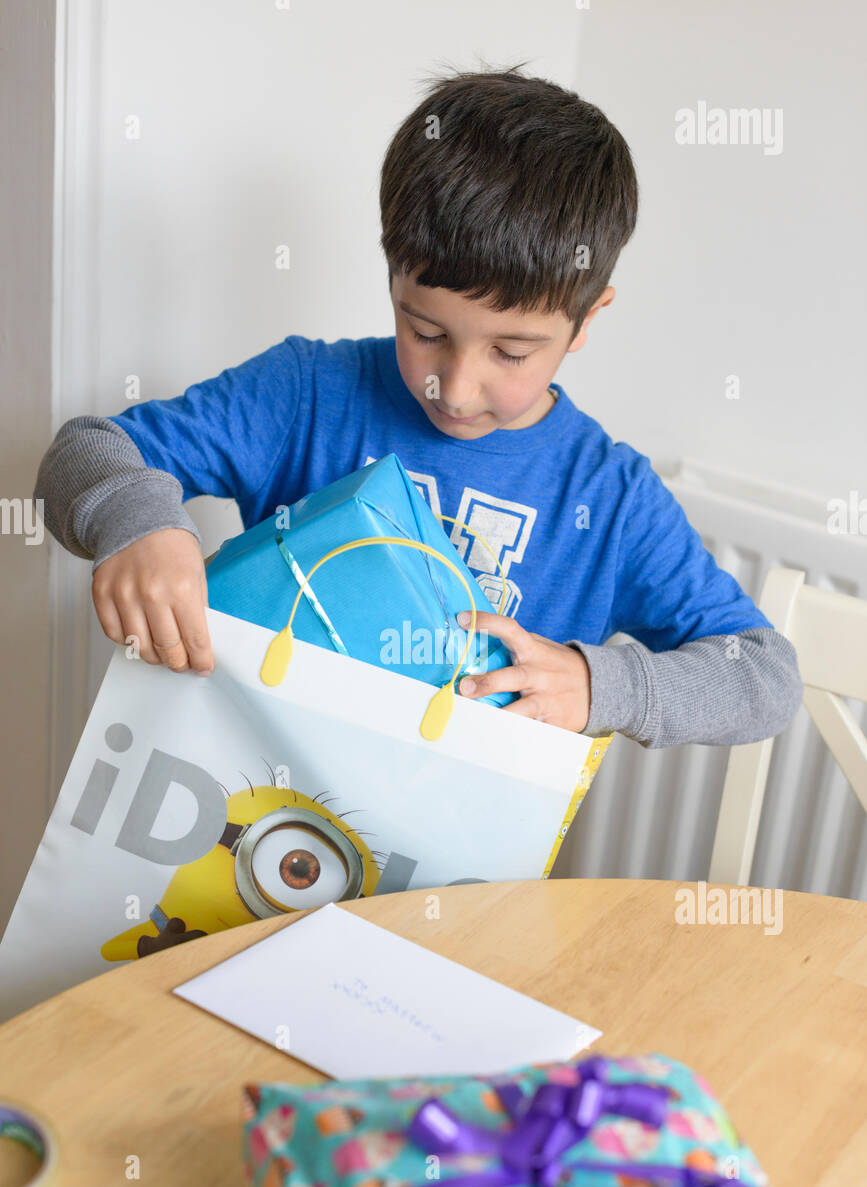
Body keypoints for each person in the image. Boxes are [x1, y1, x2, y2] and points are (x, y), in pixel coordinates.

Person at [35, 65, 801, 747]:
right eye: (425, 332)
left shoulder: (611, 498)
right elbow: (85, 448)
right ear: (393, 276)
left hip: (464, 856)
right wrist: (138, 520)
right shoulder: (307, 392)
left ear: (586, 318)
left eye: (510, 352)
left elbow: (765, 676)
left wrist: (603, 686)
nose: (454, 387)